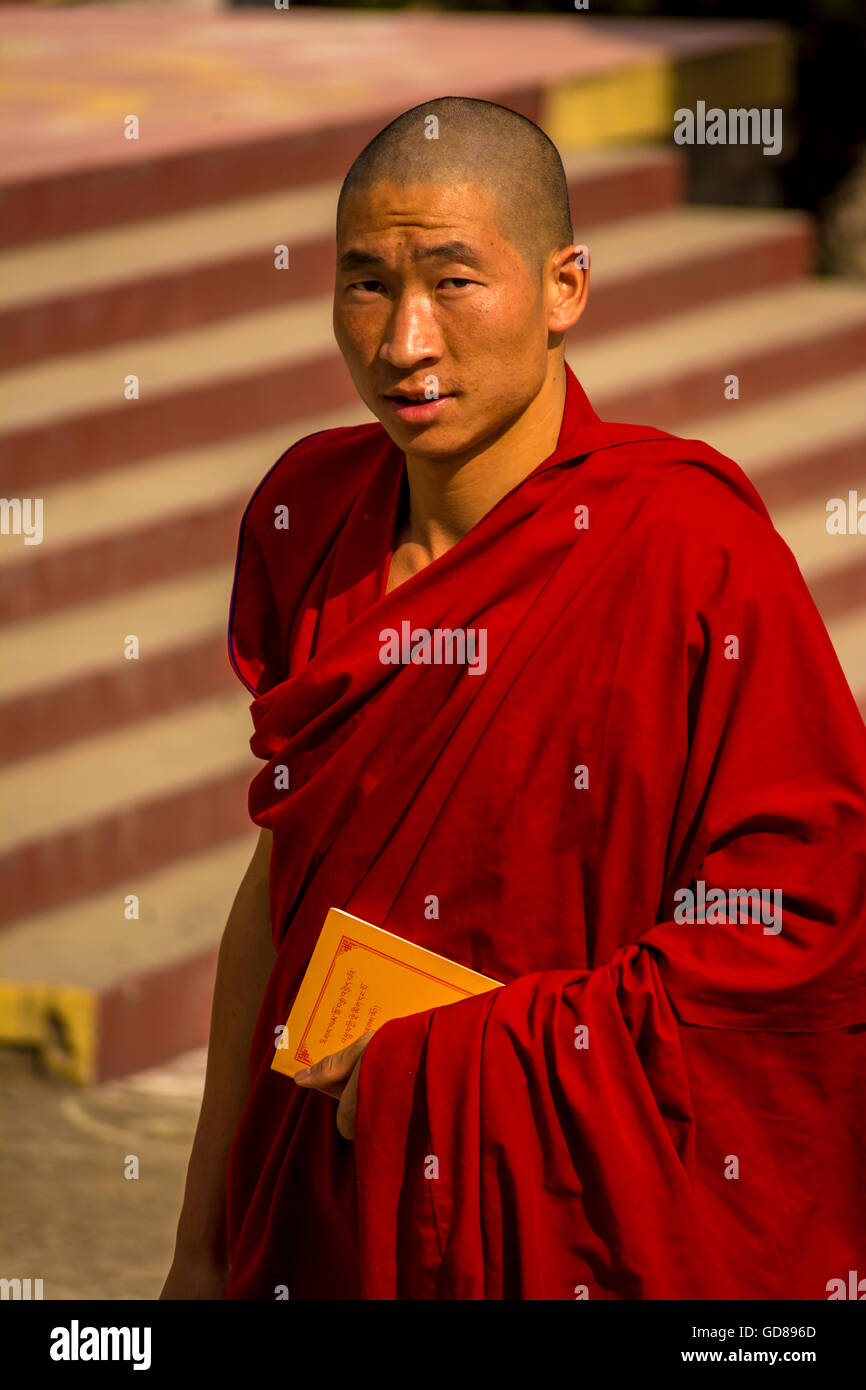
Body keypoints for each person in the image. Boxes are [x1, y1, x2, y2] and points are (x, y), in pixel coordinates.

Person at [161, 96, 866, 1301]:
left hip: (567, 1210)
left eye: (451, 280)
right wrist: (202, 1240)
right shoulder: (310, 511)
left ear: (564, 287)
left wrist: (450, 1067)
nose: (403, 343)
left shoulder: (685, 546)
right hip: (327, 1180)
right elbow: (287, 876)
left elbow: (793, 922)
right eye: (365, 285)